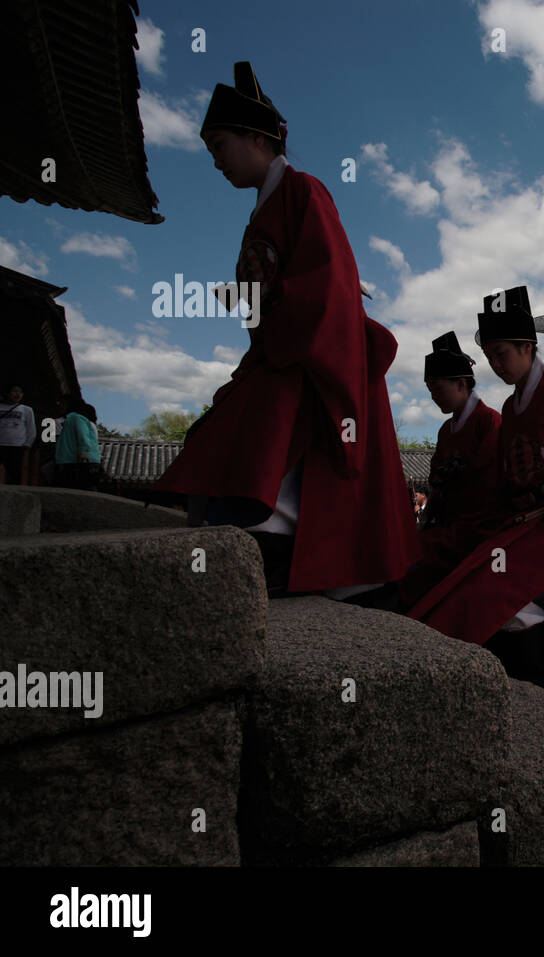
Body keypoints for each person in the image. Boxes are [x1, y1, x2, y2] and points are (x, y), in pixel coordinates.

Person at [153, 62, 418, 601]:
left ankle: (274, 542)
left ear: (258, 138)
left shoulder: (305, 192)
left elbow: (329, 279)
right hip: (284, 346)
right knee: (221, 428)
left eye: (221, 146)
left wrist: (275, 311)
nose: (217, 163)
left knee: (269, 428)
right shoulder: (261, 212)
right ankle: (256, 539)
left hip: (314, 350)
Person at [407, 286, 544, 711]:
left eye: (502, 353)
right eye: (489, 356)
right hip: (523, 529)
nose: (495, 364)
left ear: (528, 347)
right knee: (464, 593)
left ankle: (536, 696)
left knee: (498, 600)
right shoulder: (510, 411)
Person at [396, 332, 502, 608]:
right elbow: (436, 483)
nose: (433, 398)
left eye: (438, 389)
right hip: (445, 527)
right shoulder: (446, 431)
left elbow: (490, 487)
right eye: (430, 391)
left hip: (477, 530)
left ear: (461, 383)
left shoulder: (489, 422)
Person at [53, 400, 101, 490]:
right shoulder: (74, 419)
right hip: (74, 459)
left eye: (63, 404)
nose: (59, 406)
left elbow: (82, 434)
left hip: (75, 460)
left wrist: (83, 451)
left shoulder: (76, 418)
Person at [0, 384, 36, 485]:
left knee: (15, 473)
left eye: (20, 392)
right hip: (1, 443)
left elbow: (31, 428)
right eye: (14, 391)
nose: (17, 394)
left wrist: (28, 443)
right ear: (8, 393)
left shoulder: (26, 410)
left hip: (17, 445)